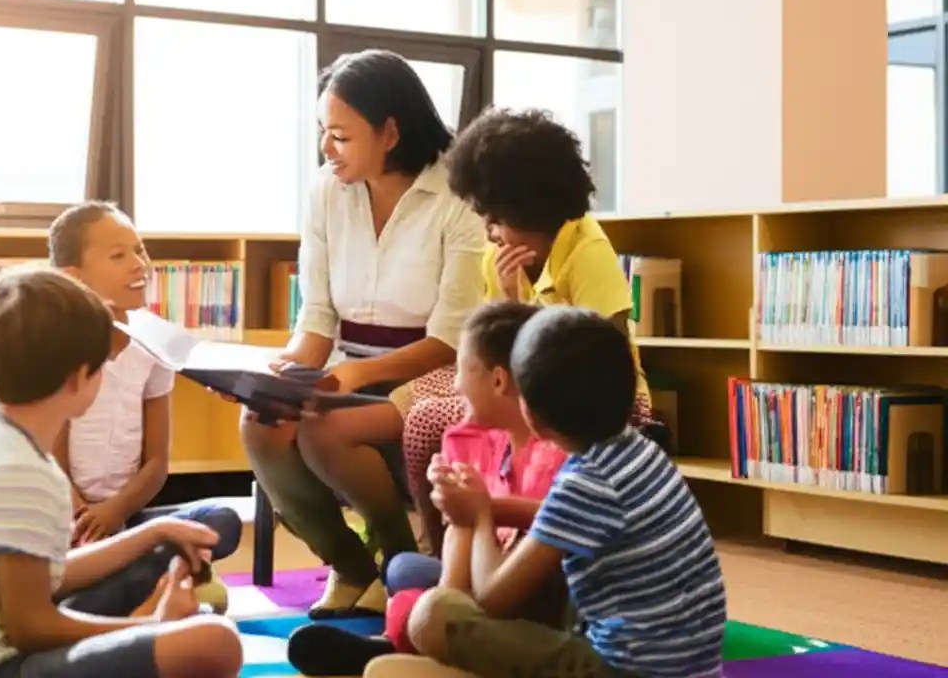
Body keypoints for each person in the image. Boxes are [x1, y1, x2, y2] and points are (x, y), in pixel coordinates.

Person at [0, 268, 242, 678]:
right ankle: (152, 619)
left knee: (162, 554)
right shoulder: (18, 472)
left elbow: (50, 575)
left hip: (1, 649)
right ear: (79, 378)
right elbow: (31, 628)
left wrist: (154, 531)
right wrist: (151, 627)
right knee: (215, 643)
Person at [241, 48, 486, 617]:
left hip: (434, 373)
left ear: (391, 132)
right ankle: (350, 568)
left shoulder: (459, 196)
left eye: (341, 136)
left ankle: (399, 564)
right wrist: (282, 371)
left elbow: (451, 337)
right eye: (324, 133)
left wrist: (360, 373)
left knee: (326, 430)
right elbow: (318, 315)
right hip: (346, 365)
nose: (327, 149)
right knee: (261, 423)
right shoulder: (327, 190)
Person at [369, 306, 726, 678]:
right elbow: (554, 520)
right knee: (439, 595)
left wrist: (478, 517)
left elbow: (493, 600)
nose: (457, 384)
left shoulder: (584, 481)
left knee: (434, 615)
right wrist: (487, 505)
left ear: (530, 412)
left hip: (621, 671)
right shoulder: (637, 451)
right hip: (695, 667)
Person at [402, 106, 664, 554]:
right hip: (520, 379)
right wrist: (507, 302)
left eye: (496, 218)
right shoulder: (499, 256)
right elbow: (489, 349)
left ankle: (472, 540)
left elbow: (607, 357)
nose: (489, 233)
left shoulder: (586, 251)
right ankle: (443, 541)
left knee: (429, 421)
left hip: (598, 398)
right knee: (418, 404)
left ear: (532, 209)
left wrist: (518, 312)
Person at [285, 302, 568, 676]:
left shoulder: (554, 461)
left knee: (421, 607)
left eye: (462, 370)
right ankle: (421, 644)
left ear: (499, 381)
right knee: (405, 576)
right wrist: (460, 522)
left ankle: (413, 651)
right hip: (482, 581)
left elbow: (503, 592)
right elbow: (462, 548)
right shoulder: (481, 439)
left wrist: (476, 515)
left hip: (526, 598)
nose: (454, 384)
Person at [48, 202, 242, 610]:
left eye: (140, 250)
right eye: (119, 256)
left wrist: (116, 511)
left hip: (129, 519)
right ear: (74, 277)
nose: (139, 265)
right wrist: (87, 517)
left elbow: (156, 462)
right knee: (67, 561)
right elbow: (51, 457)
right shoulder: (59, 348)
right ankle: (145, 582)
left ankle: (136, 579)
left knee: (221, 520)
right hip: (65, 523)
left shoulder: (152, 346)